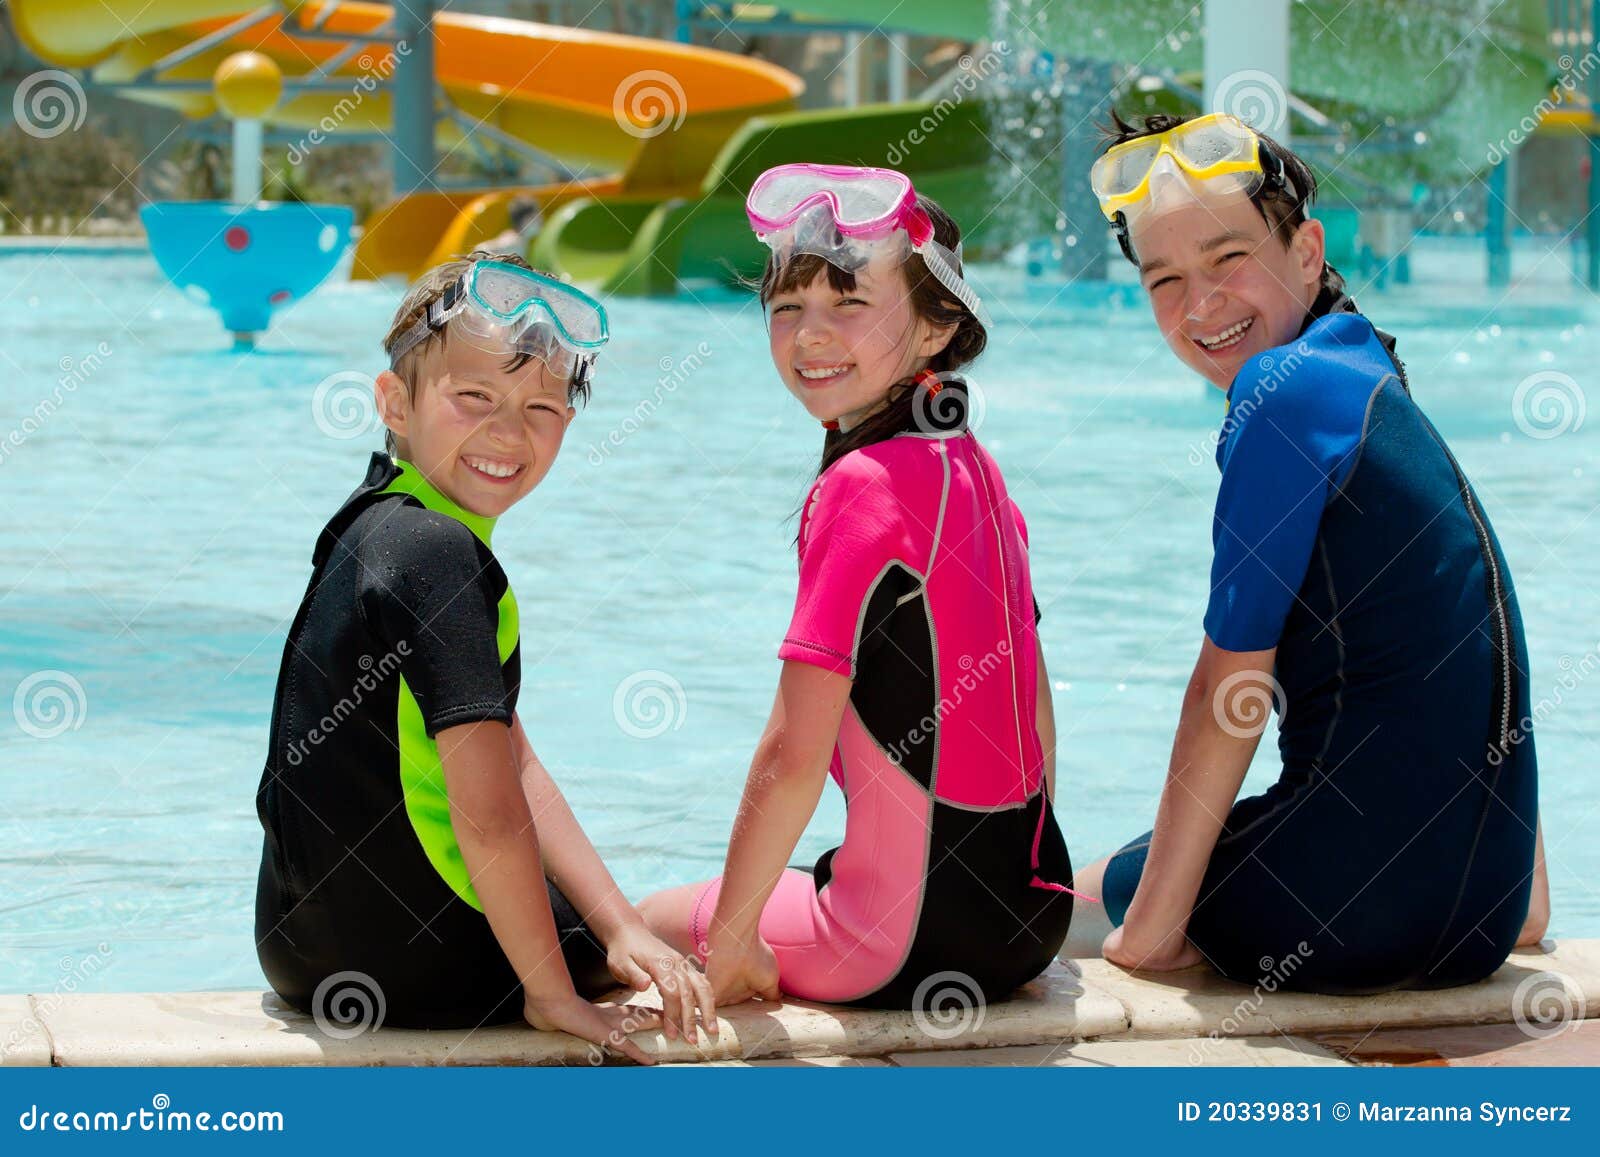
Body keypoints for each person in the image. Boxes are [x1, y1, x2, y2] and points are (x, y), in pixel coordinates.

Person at [1068, 112, 1548, 993]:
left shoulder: (1279, 394)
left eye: (1227, 258)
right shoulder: (1371, 378)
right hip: (1484, 914)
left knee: (1083, 898)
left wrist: (1150, 936)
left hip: (1347, 915)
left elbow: (1228, 691)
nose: (1200, 305)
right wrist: (1524, 898)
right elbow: (1480, 632)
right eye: (1163, 279)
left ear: (1307, 251)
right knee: (1161, 858)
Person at [638, 165, 1080, 1009]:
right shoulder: (980, 473)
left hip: (895, 943)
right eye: (786, 307)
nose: (810, 334)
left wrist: (731, 942)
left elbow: (792, 752)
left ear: (937, 326)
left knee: (643, 922)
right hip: (1030, 920)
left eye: (848, 303)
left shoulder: (860, 484)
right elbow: (1033, 707)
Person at [254, 251, 713, 1058]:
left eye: (542, 406)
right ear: (395, 401)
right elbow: (489, 814)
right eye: (474, 397)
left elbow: (514, 761)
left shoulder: (367, 526)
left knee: (616, 928)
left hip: (298, 952)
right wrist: (554, 992)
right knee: (670, 931)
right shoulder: (443, 556)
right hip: (424, 963)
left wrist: (616, 923)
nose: (508, 431)